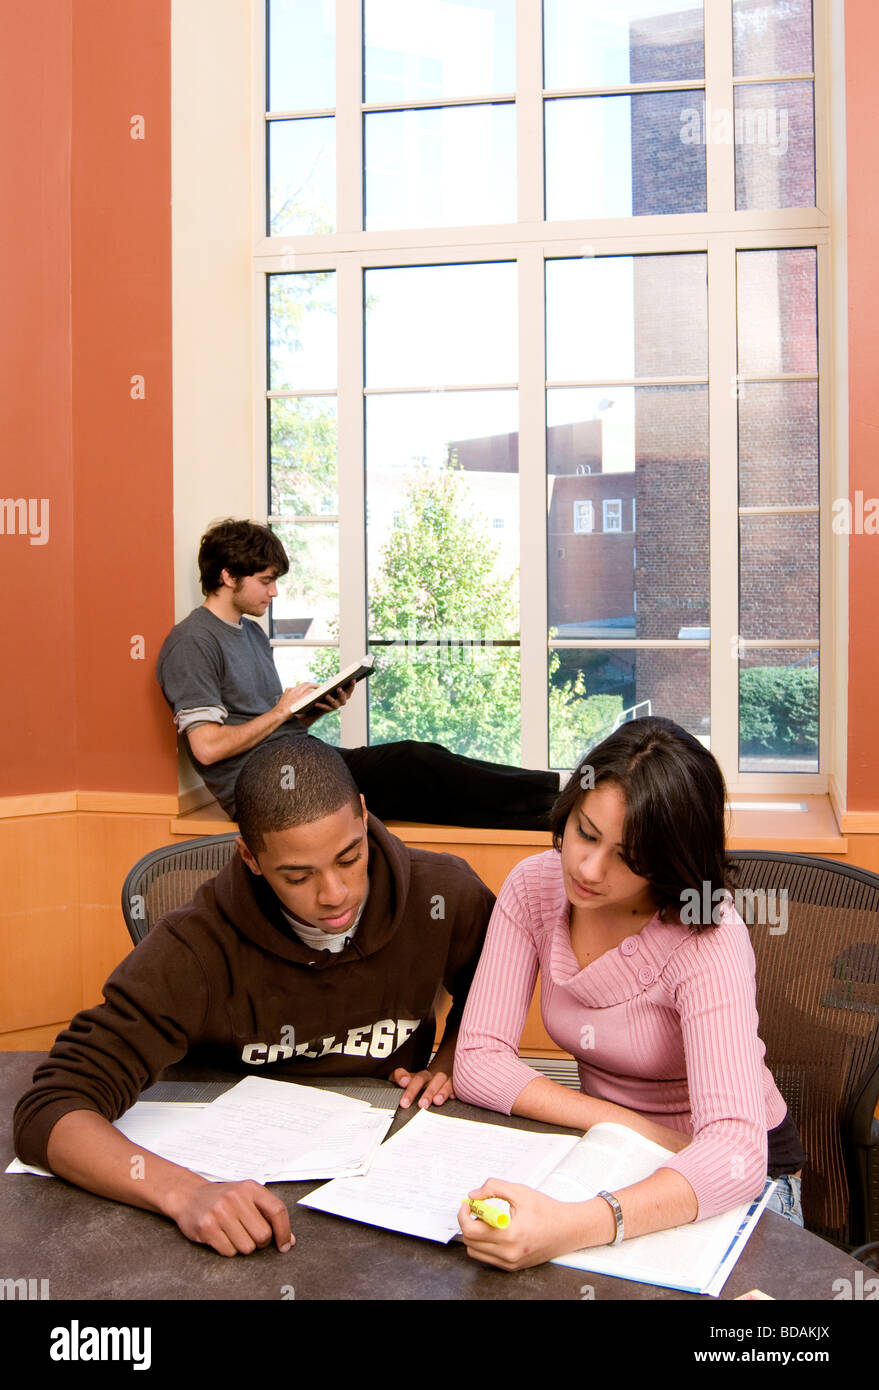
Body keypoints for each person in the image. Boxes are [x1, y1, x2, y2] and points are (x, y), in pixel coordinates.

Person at [14, 736, 494, 1258]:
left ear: (362, 815)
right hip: (231, 1184)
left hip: (378, 1181)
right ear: (252, 857)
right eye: (298, 875)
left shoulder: (443, 895)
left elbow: (489, 996)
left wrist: (449, 1059)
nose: (334, 894)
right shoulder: (194, 946)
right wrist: (186, 1193)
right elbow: (52, 1109)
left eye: (349, 858)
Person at [452, 716, 805, 1271]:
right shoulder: (534, 886)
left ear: (669, 860)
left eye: (630, 856)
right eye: (586, 833)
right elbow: (476, 1061)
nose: (588, 868)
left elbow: (735, 1156)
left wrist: (576, 1224)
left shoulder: (707, 937)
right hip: (617, 1150)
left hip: (732, 1178)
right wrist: (626, 1127)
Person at [155, 518, 559, 827]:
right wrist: (281, 711)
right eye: (266, 581)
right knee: (411, 764)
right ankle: (555, 800)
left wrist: (311, 711)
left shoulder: (252, 634)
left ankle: (550, 804)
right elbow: (207, 747)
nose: (274, 592)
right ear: (227, 577)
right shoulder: (192, 642)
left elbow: (263, 725)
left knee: (424, 759)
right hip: (268, 790)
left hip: (299, 763)